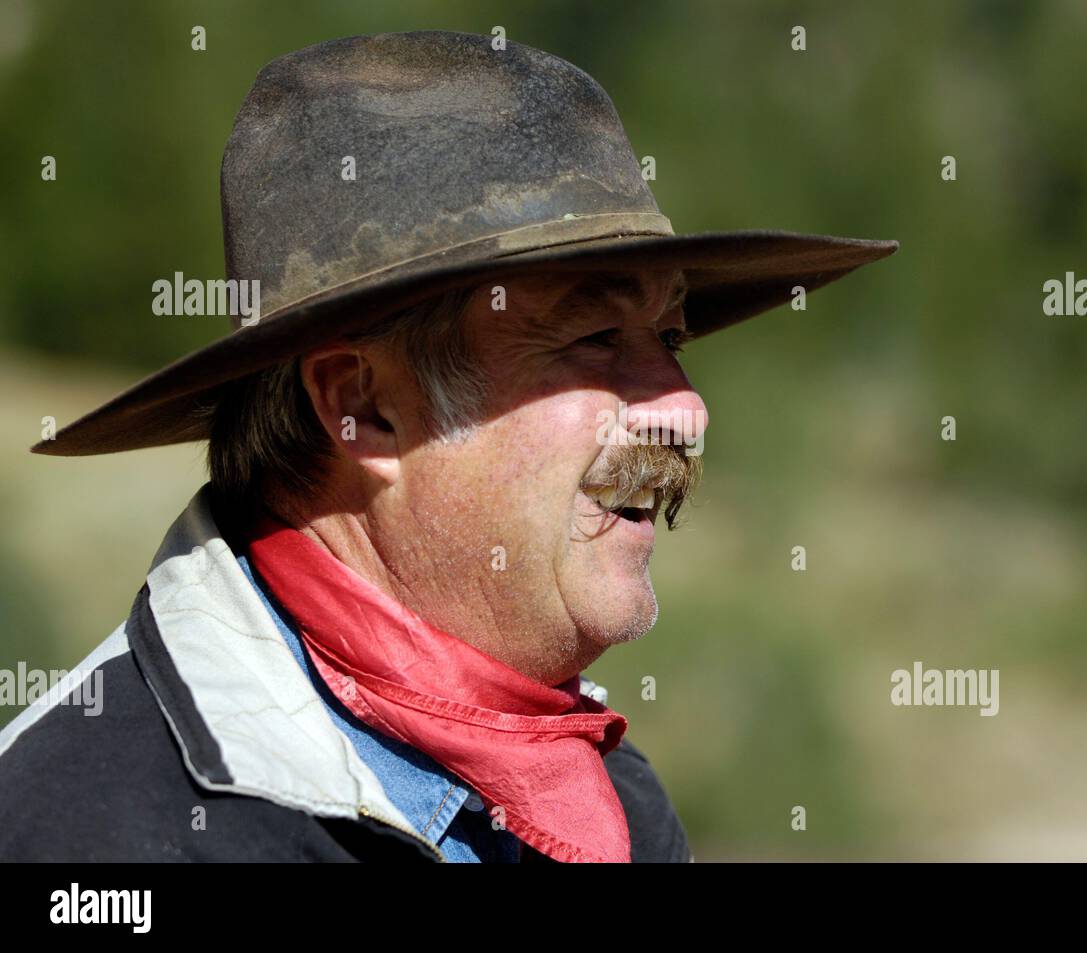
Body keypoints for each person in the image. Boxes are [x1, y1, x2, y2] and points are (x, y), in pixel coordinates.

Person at [0, 30, 895, 862]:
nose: (685, 412)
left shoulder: (610, 802)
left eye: (670, 337)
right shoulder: (96, 831)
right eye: (592, 340)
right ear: (362, 405)